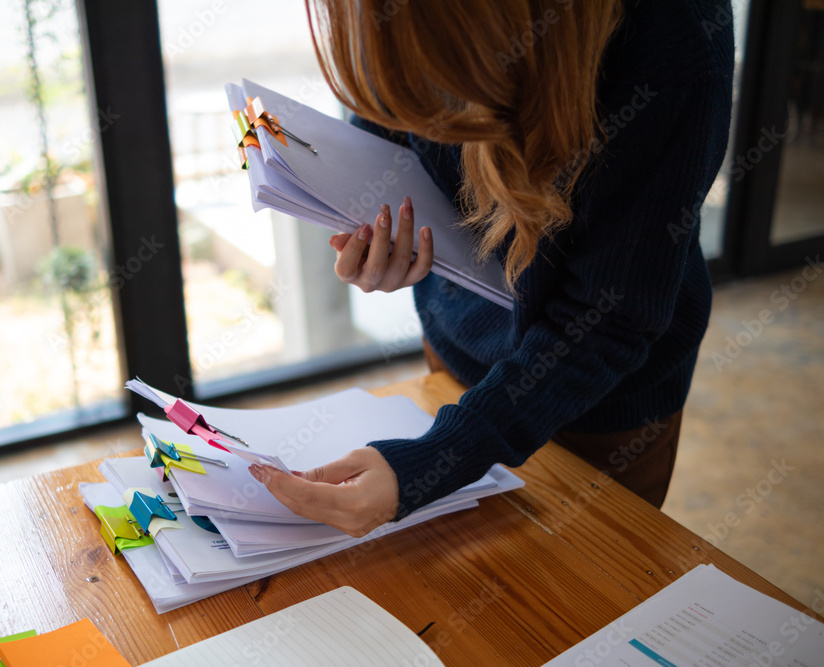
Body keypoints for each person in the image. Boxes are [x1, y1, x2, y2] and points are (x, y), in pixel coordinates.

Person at [248, 0, 734, 537]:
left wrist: (433, 461)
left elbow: (607, 320)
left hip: (602, 400)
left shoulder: (673, 37)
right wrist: (373, 230)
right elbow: (387, 124)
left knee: (583, 596)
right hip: (458, 347)